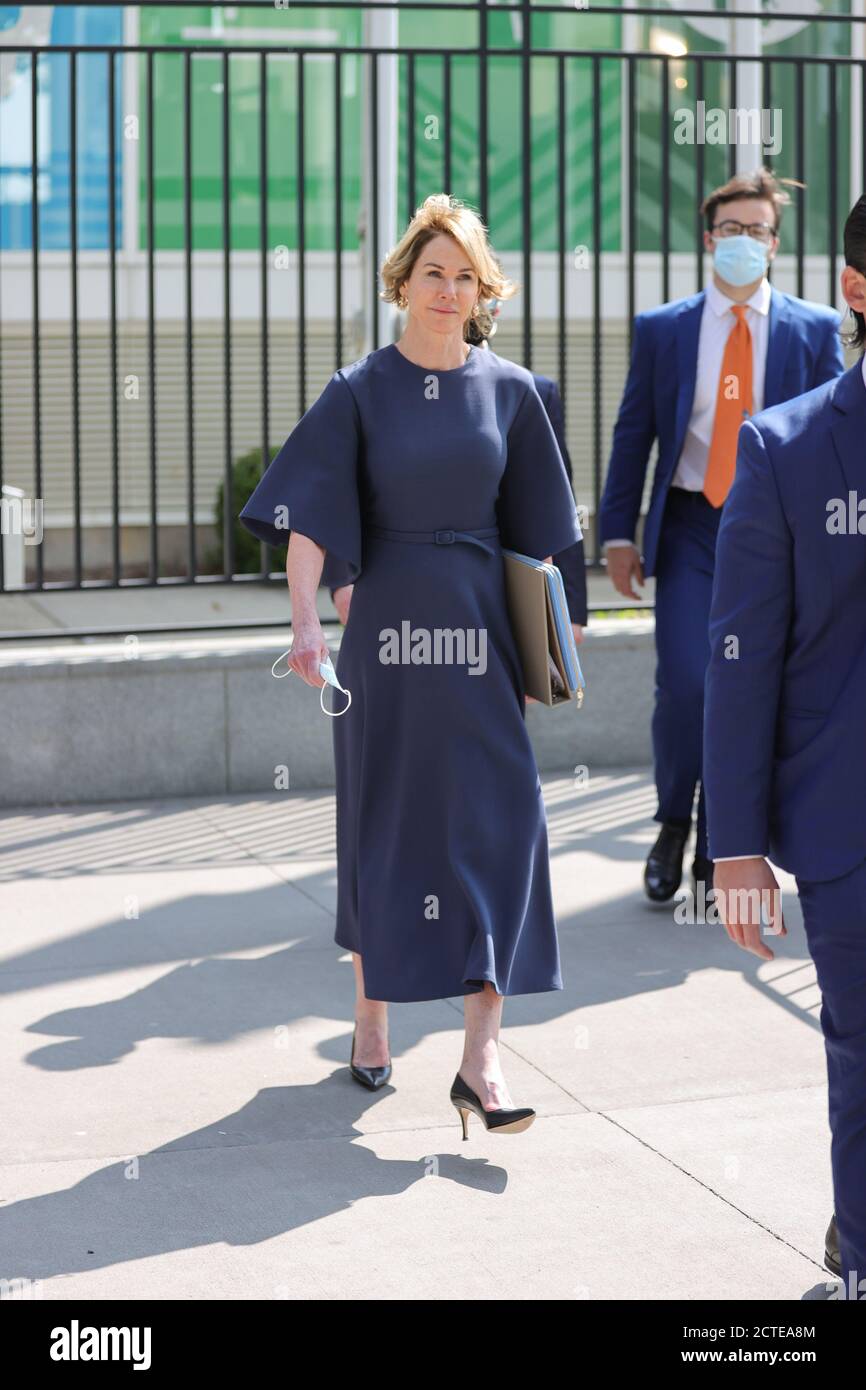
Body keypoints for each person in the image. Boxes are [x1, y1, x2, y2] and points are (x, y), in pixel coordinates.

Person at [239, 194, 582, 1136]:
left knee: (502, 830)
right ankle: (372, 1018)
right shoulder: (359, 390)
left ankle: (481, 1059)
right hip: (385, 638)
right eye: (433, 271)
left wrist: (546, 644)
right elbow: (310, 514)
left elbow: (542, 541)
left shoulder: (512, 392)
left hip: (483, 640)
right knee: (386, 831)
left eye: (465, 274)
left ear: (483, 291)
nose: (448, 288)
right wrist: (306, 618)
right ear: (402, 283)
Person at [598, 168, 845, 906]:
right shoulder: (665, 328)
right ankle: (674, 818)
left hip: (778, 529)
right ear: (710, 240)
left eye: (758, 231)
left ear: (776, 243)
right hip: (692, 526)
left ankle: (719, 837)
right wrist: (616, 532)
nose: (744, 242)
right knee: (685, 684)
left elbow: (832, 436)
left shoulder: (815, 329)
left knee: (756, 681)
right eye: (731, 229)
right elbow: (634, 431)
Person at [703, 194, 866, 1298]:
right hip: (847, 822)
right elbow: (738, 661)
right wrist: (735, 847)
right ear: (856, 290)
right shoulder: (782, 449)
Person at [329, 297, 589, 645]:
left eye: (469, 284)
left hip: (494, 590)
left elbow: (553, 504)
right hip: (394, 585)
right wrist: (342, 579)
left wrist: (565, 610)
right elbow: (341, 492)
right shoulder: (376, 388)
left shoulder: (528, 391)